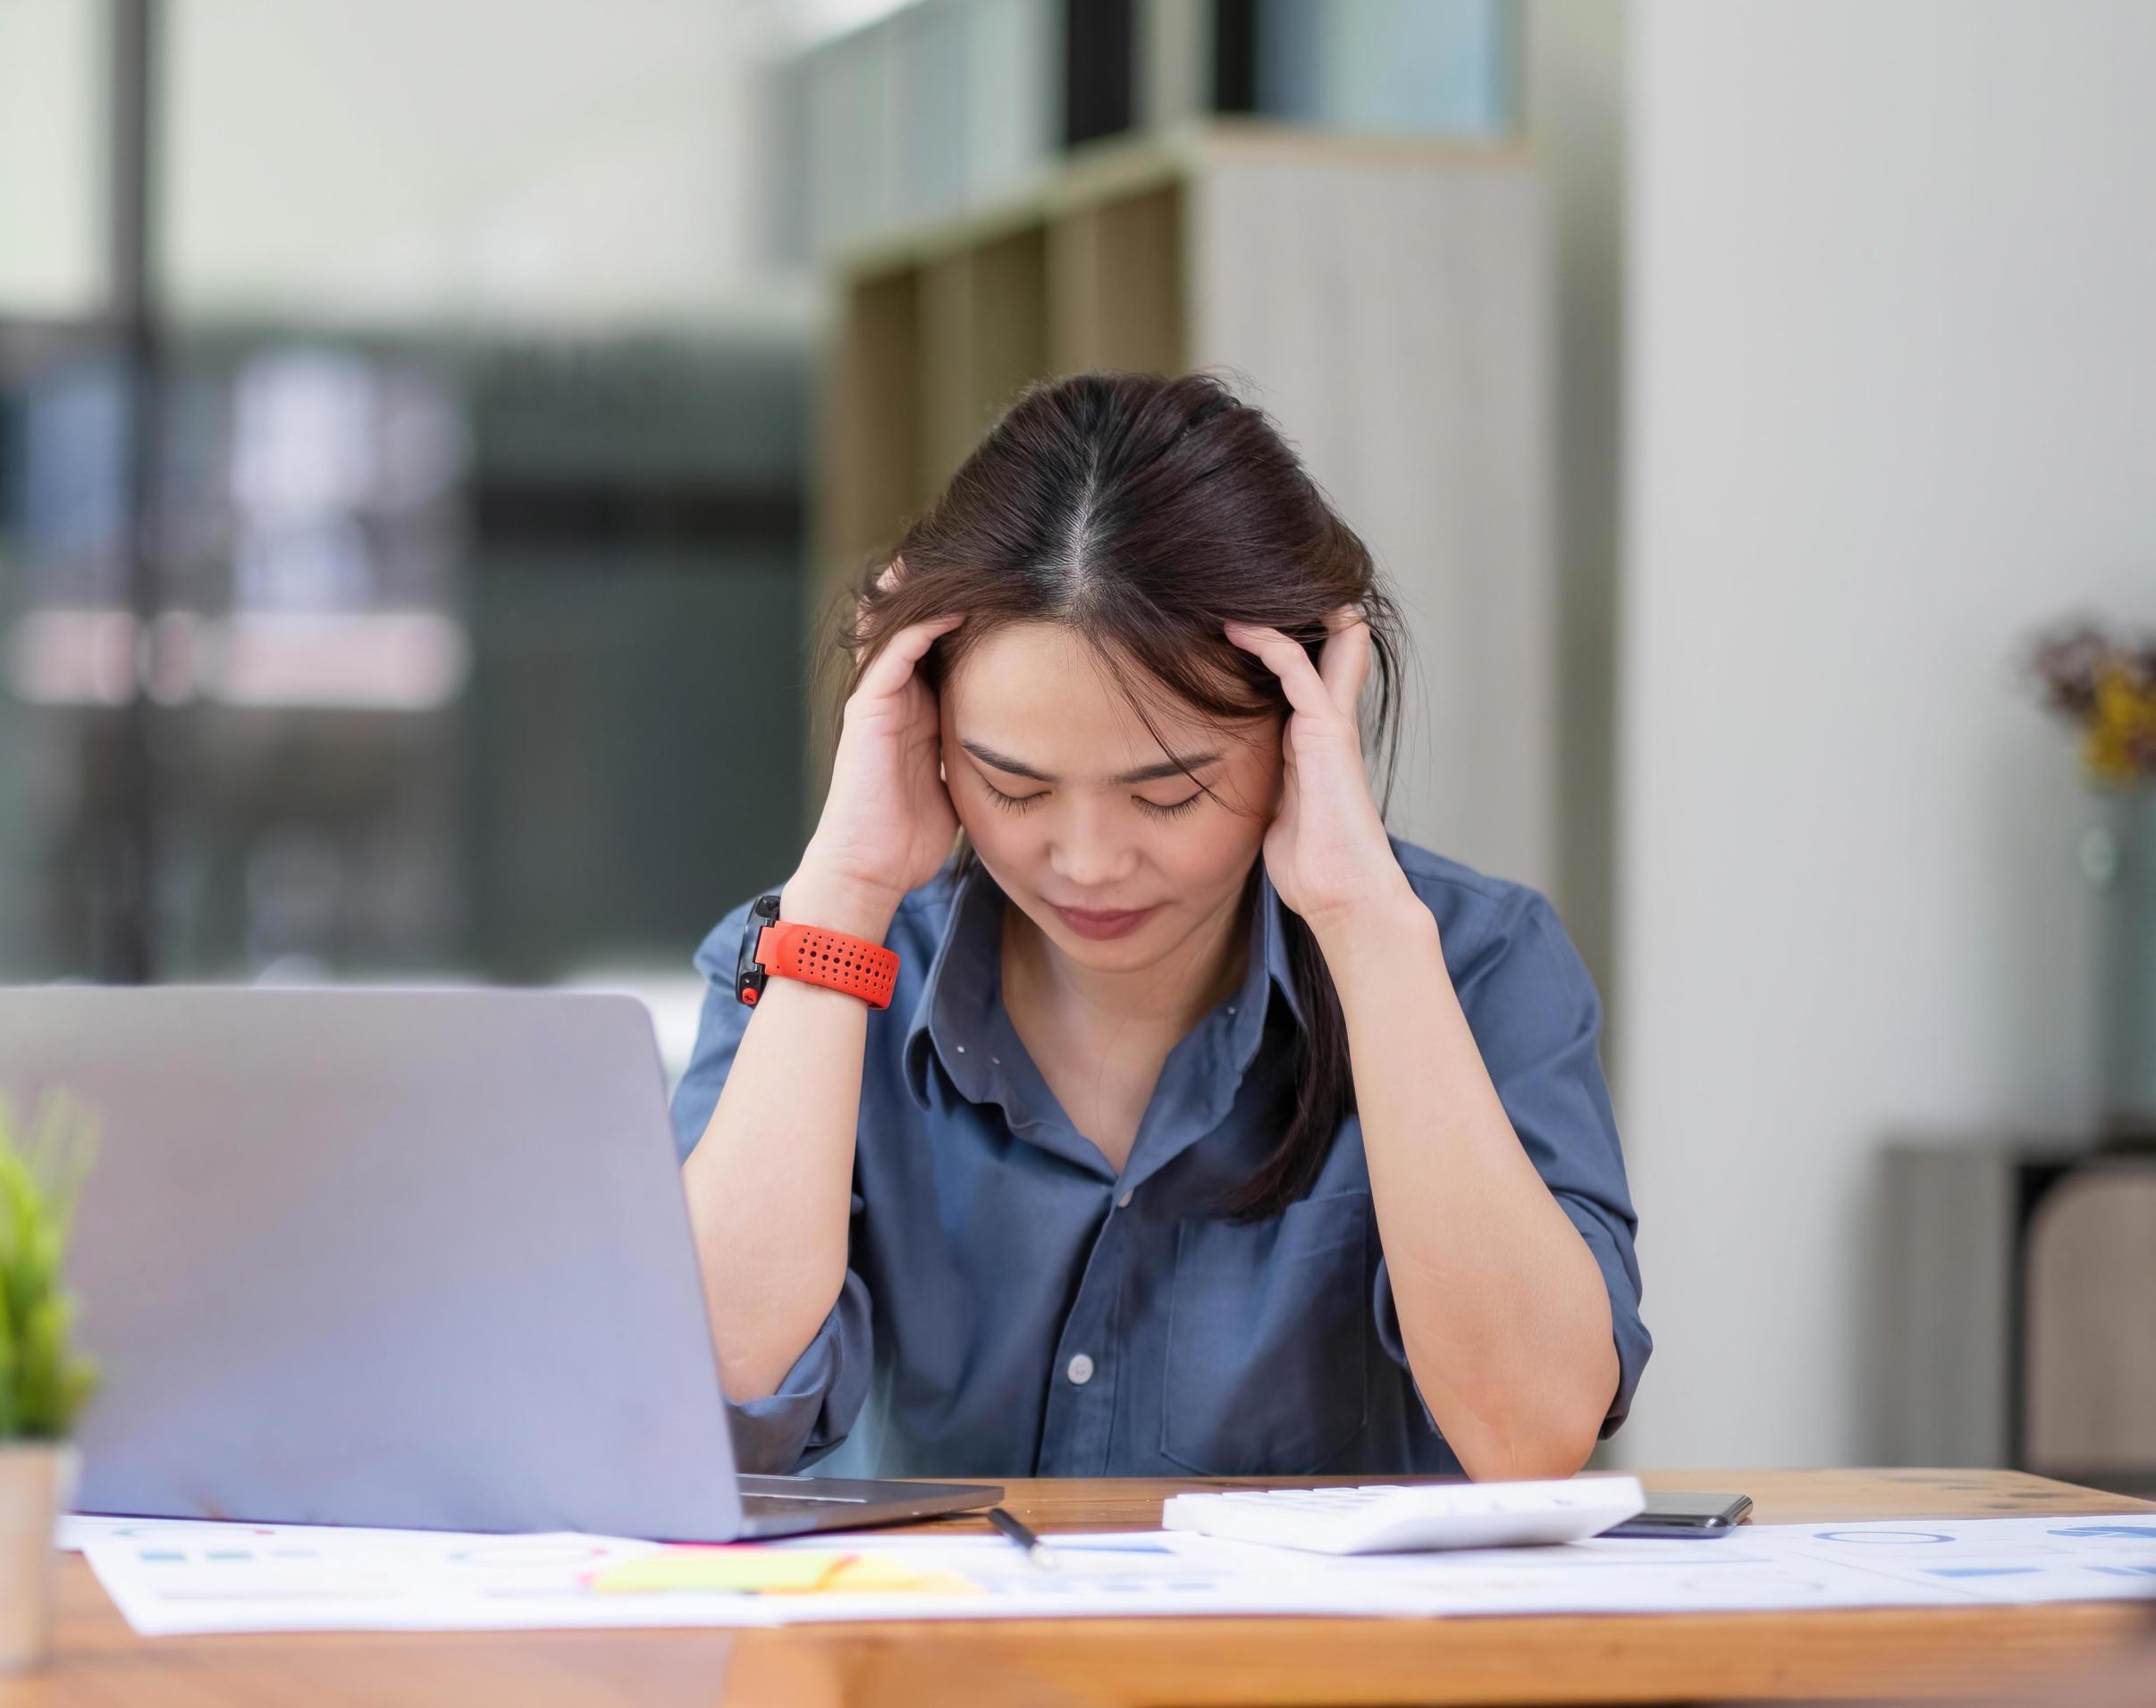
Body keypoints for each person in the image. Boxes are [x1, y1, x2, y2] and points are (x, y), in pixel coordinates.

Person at [673, 372, 1648, 1481]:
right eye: (1015, 787)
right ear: (928, 734)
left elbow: (1530, 1431)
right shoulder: (817, 967)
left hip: (1342, 1661)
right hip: (954, 1656)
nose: (1086, 862)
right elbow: (707, 1398)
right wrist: (845, 885)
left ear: (1300, 732)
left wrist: (1364, 925)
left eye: (1167, 794)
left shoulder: (1477, 966)